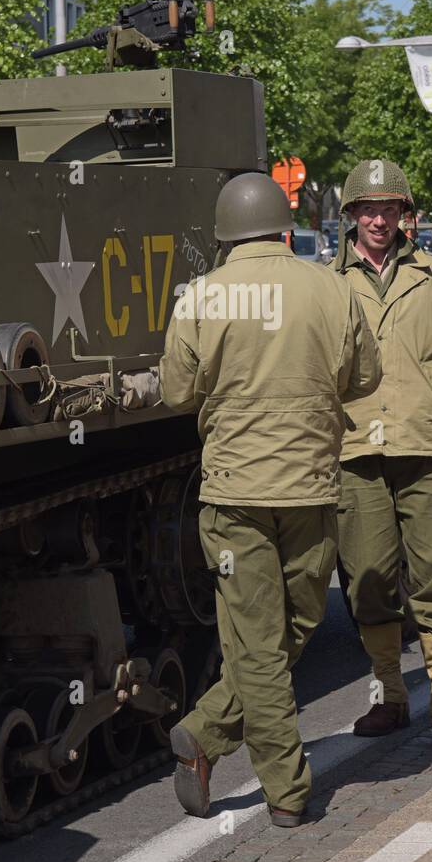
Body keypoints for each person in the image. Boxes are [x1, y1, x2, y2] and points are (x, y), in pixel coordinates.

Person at [159, 172, 380, 826]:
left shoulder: (199, 296)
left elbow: (176, 393)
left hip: (232, 495)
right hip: (310, 487)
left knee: (256, 642)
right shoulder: (330, 289)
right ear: (285, 226)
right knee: (297, 626)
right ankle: (288, 787)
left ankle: (205, 730)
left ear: (224, 234)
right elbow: (364, 377)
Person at [332, 160, 432, 753]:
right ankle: (391, 694)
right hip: (357, 447)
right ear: (350, 217)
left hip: (425, 445)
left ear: (403, 215)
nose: (378, 218)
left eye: (388, 208)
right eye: (367, 208)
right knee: (366, 579)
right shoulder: (328, 285)